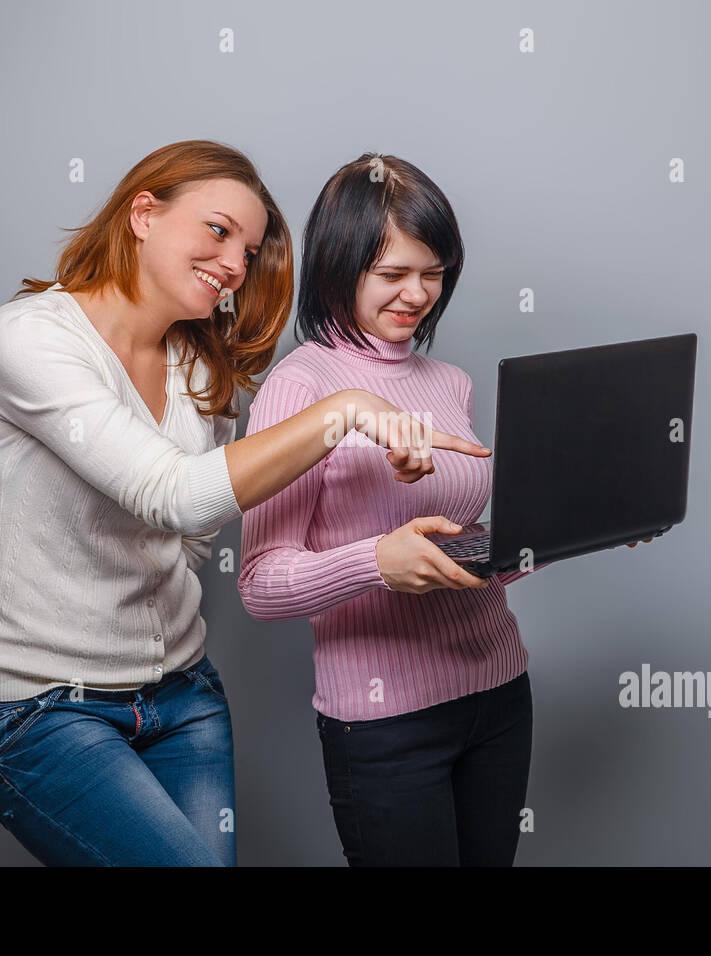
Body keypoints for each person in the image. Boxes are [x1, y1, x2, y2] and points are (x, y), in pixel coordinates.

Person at [0, 140, 490, 866]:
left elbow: (194, 542)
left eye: (250, 246)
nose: (236, 262)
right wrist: (347, 410)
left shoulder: (197, 364)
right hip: (45, 708)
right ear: (143, 213)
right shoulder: (33, 338)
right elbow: (174, 497)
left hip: (183, 697)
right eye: (218, 230)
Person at [237, 153, 652, 866]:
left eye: (434, 273)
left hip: (498, 692)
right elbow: (260, 584)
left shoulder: (448, 382)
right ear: (340, 267)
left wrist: (574, 527)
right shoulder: (300, 388)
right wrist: (377, 561)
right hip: (385, 722)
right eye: (393, 275)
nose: (418, 295)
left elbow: (462, 554)